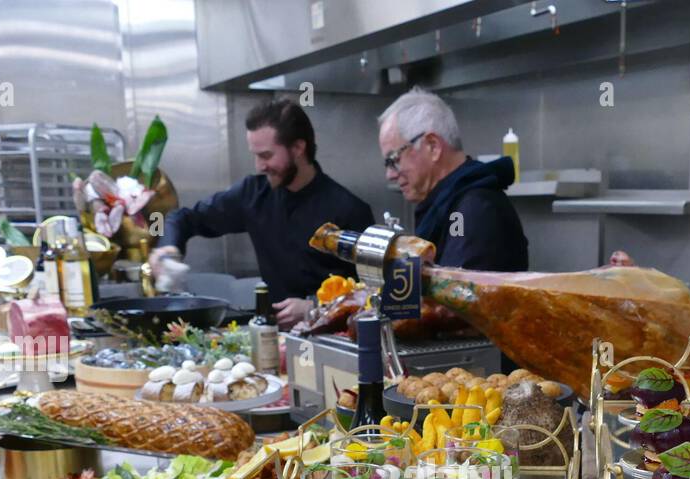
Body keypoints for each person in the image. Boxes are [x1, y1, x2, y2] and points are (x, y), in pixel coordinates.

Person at [151, 100, 374, 328]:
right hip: (275, 337)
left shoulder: (349, 210)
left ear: (298, 148)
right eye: (255, 155)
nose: (259, 166)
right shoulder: (252, 195)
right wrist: (168, 248)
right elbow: (182, 218)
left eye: (266, 155)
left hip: (335, 340)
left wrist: (314, 306)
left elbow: (371, 293)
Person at [377, 88, 528, 272]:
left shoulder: (468, 212)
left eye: (394, 159)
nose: (390, 175)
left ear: (433, 146)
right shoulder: (449, 205)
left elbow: (456, 293)